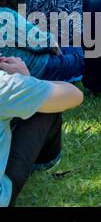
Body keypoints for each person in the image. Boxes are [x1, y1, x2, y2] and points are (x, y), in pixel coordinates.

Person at [0, 54, 83, 206]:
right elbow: (74, 95)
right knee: (44, 109)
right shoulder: (5, 85)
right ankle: (44, 161)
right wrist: (27, 79)